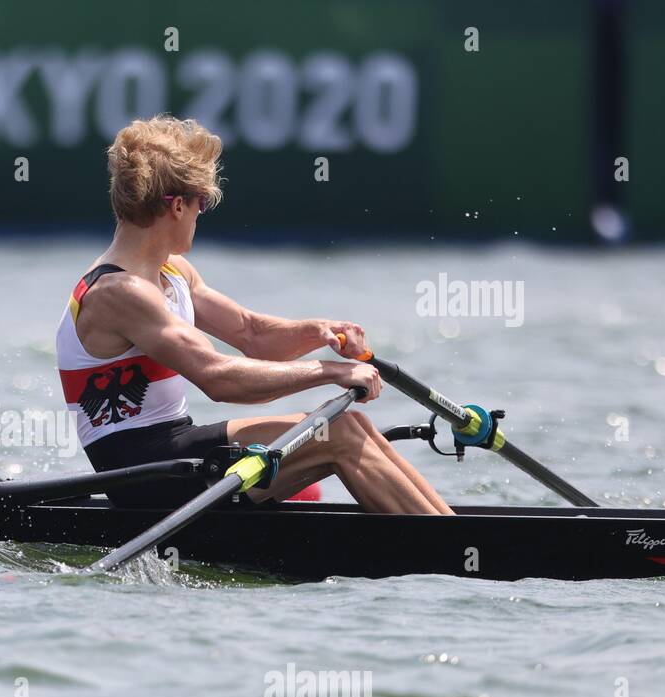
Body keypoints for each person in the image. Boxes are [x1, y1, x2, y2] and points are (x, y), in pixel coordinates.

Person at [56, 117, 451, 514]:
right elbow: (217, 378)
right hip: (142, 479)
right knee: (339, 432)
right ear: (177, 206)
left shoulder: (173, 271)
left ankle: (450, 527)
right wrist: (330, 372)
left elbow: (252, 334)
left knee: (354, 426)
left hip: (176, 448)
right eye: (201, 204)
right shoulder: (119, 293)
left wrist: (322, 332)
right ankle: (449, 544)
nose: (200, 215)